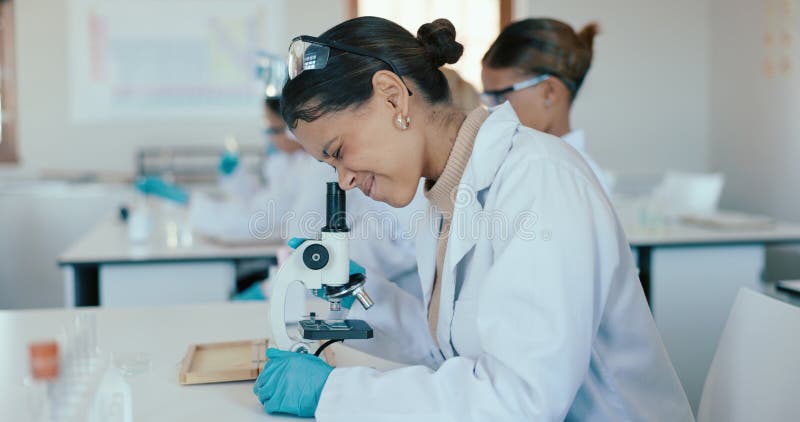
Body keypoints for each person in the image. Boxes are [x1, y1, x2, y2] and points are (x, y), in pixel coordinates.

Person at [253, 16, 693, 421]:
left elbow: (520, 400)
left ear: (392, 96)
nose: (344, 181)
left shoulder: (540, 180)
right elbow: (453, 349)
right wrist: (366, 297)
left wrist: (333, 393)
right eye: (331, 168)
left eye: (339, 153)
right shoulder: (445, 193)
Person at [191, 95, 424, 299]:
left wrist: (274, 287)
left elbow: (369, 251)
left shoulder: (324, 170)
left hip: (379, 295)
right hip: (354, 292)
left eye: (274, 129)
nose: (345, 180)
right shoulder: (305, 164)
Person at [481, 18, 611, 194]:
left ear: (550, 92)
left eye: (501, 96)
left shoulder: (568, 175)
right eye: (487, 98)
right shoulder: (529, 163)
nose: (491, 112)